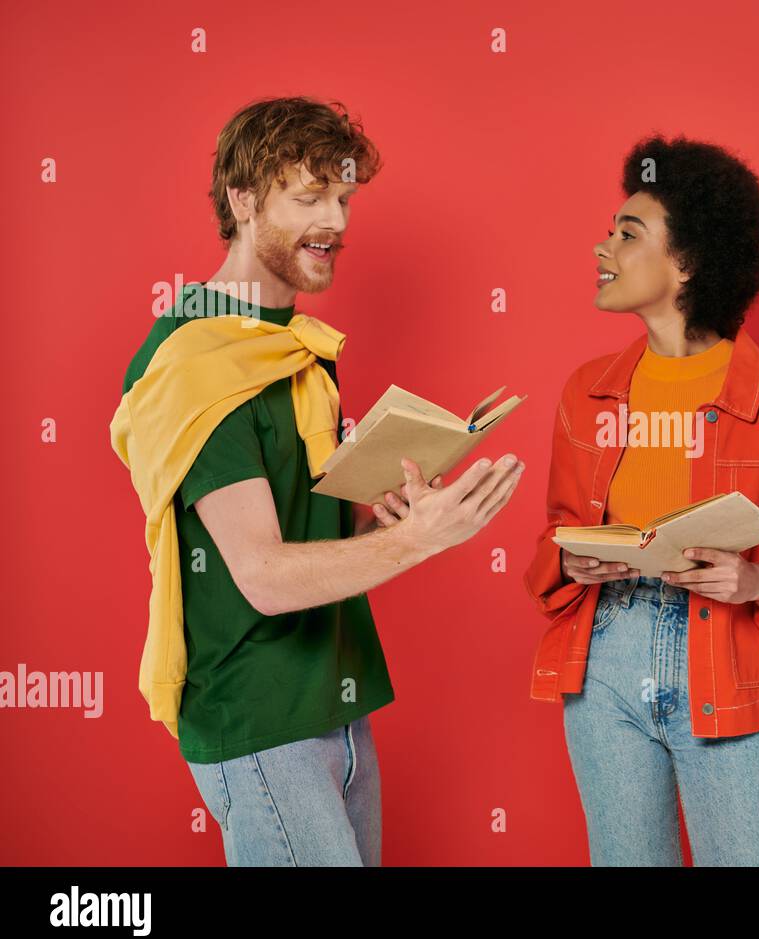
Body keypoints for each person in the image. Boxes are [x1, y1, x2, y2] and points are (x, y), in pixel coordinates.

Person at [114, 96, 523, 866]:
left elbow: (309, 539)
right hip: (262, 720)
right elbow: (263, 575)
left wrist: (385, 518)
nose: (335, 220)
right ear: (241, 201)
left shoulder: (293, 347)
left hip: (335, 702)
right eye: (309, 198)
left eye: (343, 197)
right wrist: (417, 541)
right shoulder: (196, 366)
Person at [523, 134, 759, 866]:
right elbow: (557, 535)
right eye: (611, 230)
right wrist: (575, 563)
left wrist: (758, 579)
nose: (603, 246)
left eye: (627, 234)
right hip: (606, 657)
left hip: (725, 652)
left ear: (688, 262)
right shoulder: (587, 390)